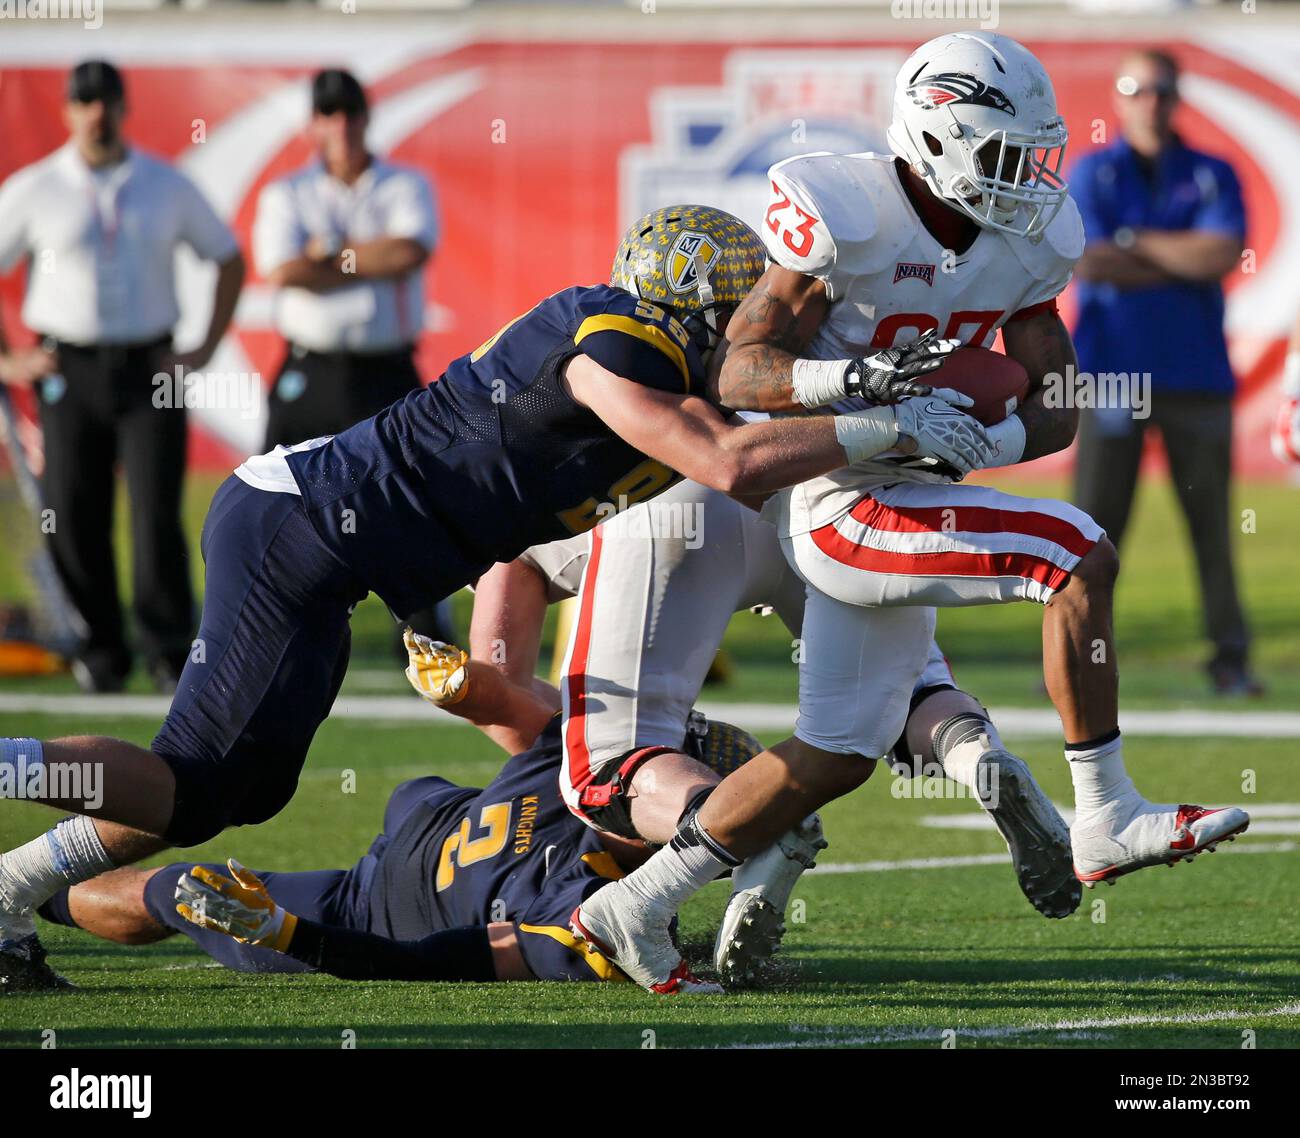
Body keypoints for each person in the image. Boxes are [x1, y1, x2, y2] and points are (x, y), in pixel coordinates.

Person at [0, 205, 980, 992]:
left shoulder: (657, 369)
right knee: (189, 784)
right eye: (738, 316)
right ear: (687, 307)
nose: (750, 338)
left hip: (321, 551)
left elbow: (755, 456)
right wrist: (890, 423)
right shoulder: (610, 341)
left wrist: (875, 417)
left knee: (234, 794)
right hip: (297, 528)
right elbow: (727, 462)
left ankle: (13, 893)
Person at [570, 32, 1249, 992]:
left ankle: (631, 906)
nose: (1030, 181)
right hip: (839, 499)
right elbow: (741, 367)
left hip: (916, 487)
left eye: (1036, 155)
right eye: (1007, 155)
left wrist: (987, 441)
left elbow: (1057, 398)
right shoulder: (846, 213)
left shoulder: (1029, 239)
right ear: (939, 139)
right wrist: (871, 395)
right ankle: (1104, 810)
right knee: (1079, 554)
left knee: (836, 753)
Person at [411, 477, 1079, 991]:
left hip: (681, 501)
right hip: (827, 486)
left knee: (605, 769)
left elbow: (507, 700)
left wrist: (462, 691)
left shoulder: (505, 533)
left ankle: (755, 823)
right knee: (906, 695)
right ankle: (974, 753)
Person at [31, 708, 767, 989]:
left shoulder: (596, 896)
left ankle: (35, 897)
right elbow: (417, 962)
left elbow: (427, 964)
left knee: (178, 888)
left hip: (369, 894)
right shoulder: (594, 910)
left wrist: (292, 934)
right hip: (388, 890)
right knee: (179, 866)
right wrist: (463, 686)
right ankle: (28, 892)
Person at [0, 59, 245, 693]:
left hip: (148, 364)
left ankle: (167, 649)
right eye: (83, 102)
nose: (95, 113)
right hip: (66, 366)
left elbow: (226, 257)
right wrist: (9, 360)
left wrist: (203, 347)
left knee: (155, 509)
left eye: (105, 100)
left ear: (122, 107)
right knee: (74, 511)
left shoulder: (163, 184)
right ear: (67, 111)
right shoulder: (37, 187)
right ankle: (99, 650)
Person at [1070, 48, 1259, 696]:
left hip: (1195, 375)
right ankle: (1074, 659)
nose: (1151, 100)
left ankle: (1230, 661)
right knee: (1092, 530)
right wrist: (1175, 255)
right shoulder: (1092, 172)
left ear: (1178, 97)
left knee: (1211, 529)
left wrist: (1133, 242)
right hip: (1112, 373)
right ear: (1120, 98)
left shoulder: (1212, 171)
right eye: (1137, 88)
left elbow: (1220, 253)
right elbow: (1088, 262)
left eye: (1163, 89)